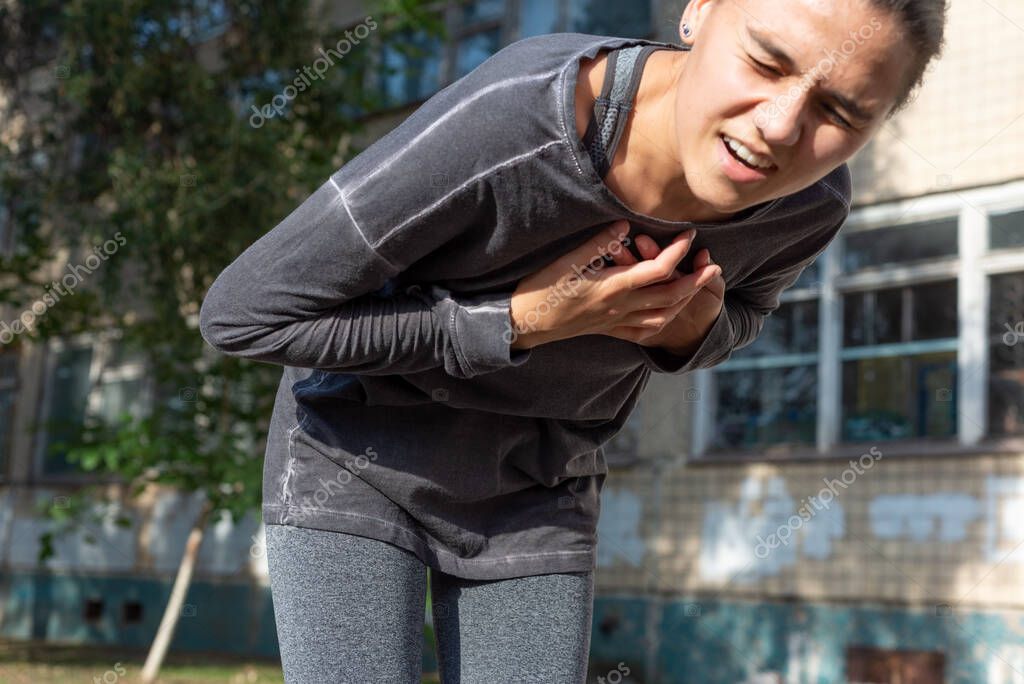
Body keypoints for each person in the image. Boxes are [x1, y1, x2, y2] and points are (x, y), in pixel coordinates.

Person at [198, 0, 949, 681]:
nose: (780, 127)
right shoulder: (514, 120)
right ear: (698, 13)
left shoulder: (810, 205)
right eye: (765, 61)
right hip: (358, 453)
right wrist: (525, 320)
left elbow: (741, 314)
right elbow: (245, 315)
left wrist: (692, 332)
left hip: (539, 486)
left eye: (841, 112)